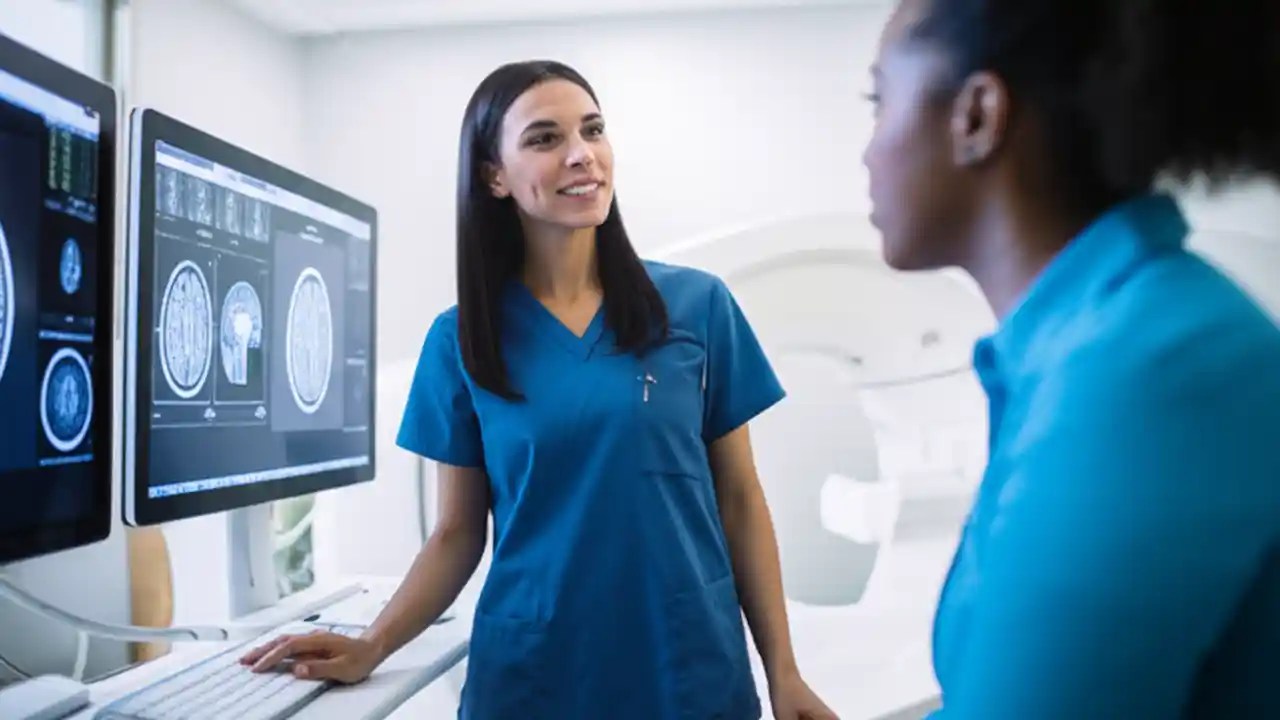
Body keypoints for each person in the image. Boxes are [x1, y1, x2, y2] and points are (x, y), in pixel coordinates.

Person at [242, 60, 837, 720]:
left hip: (687, 670)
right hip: (535, 679)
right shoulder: (462, 340)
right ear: (493, 175)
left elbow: (741, 499)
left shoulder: (698, 307)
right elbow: (456, 533)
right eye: (545, 138)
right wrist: (373, 644)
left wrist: (783, 672)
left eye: (593, 130)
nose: (582, 155)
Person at [863, 0, 1280, 717]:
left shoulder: (1155, 369)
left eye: (879, 101)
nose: (868, 152)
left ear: (977, 116)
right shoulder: (1082, 346)